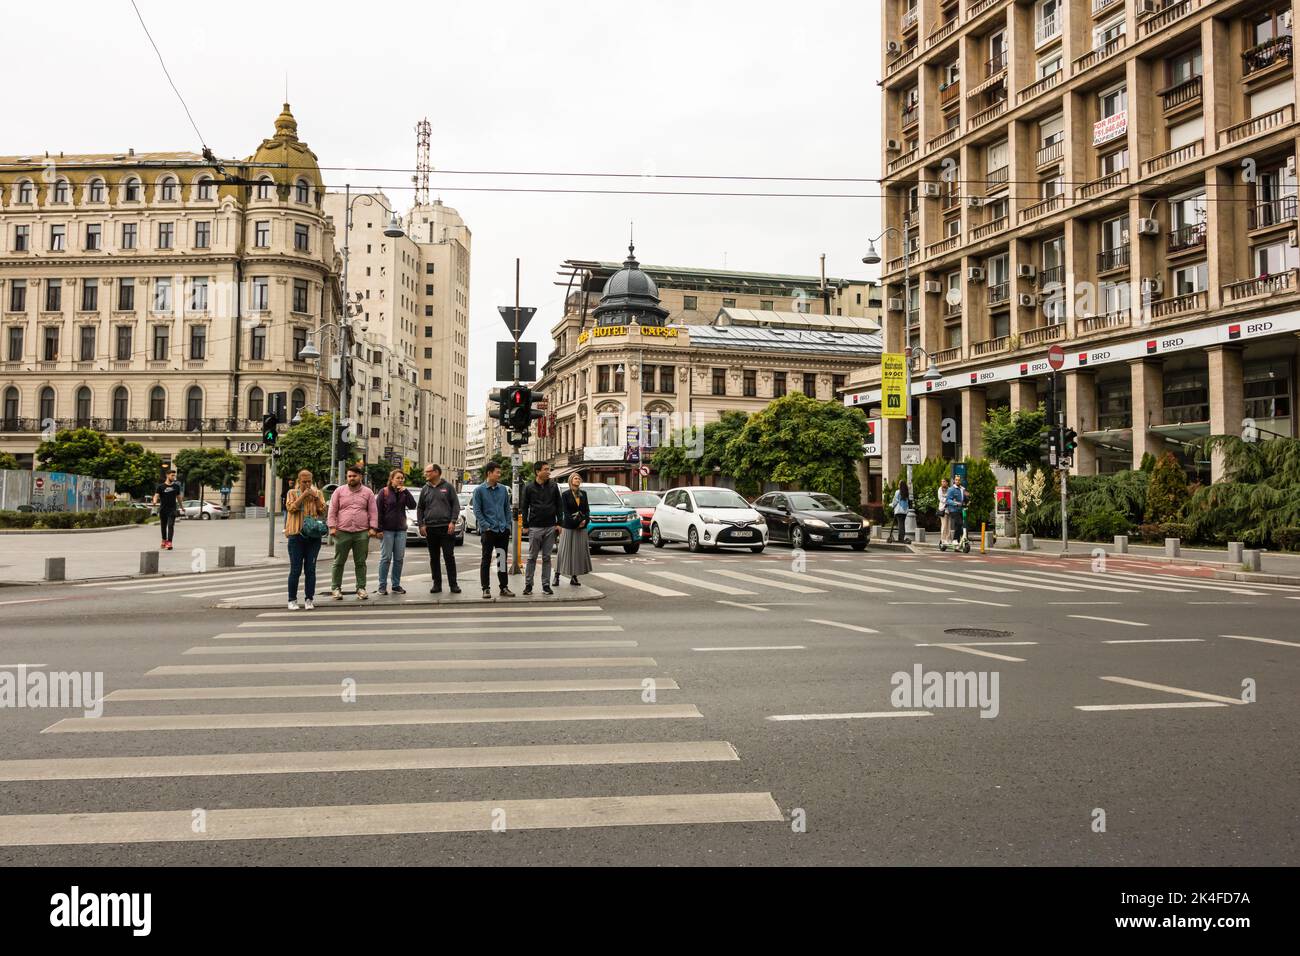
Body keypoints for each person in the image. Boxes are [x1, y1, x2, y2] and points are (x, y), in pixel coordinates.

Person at [328, 463, 379, 601]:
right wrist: (332, 527)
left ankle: (361, 588)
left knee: (360, 562)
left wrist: (373, 528)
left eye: (354, 476)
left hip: (361, 533)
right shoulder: (339, 491)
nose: (351, 478)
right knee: (339, 561)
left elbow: (373, 511)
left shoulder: (368, 492)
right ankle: (336, 588)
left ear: (360, 477)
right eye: (349, 476)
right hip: (342, 532)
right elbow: (332, 510)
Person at [472, 462, 514, 600]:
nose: (499, 474)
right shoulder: (479, 490)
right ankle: (486, 588)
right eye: (497, 472)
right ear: (489, 473)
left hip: (502, 530)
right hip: (488, 531)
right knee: (486, 559)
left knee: (502, 559)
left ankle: (504, 587)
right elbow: (477, 511)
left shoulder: (503, 490)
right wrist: (485, 526)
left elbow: (507, 508)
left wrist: (507, 525)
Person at [284, 469, 326, 610]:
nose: (307, 484)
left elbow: (322, 510)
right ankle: (292, 599)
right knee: (295, 569)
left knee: (311, 569)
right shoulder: (291, 493)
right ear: (298, 481)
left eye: (309, 481)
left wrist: (315, 497)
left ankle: (309, 599)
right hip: (296, 536)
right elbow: (291, 508)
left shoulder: (318, 493)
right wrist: (303, 495)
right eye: (304, 481)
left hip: (313, 537)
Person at [417, 463, 460, 595]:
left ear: (436, 472)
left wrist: (453, 522)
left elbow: (455, 505)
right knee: (434, 558)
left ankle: (454, 585)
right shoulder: (425, 489)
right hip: (431, 528)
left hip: (446, 528)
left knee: (449, 556)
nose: (426, 474)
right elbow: (420, 508)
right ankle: (437, 584)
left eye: (428, 472)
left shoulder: (448, 487)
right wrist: (421, 524)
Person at [520, 461, 562, 596]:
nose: (549, 472)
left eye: (549, 469)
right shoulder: (529, 487)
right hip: (535, 527)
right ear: (538, 472)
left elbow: (559, 505)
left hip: (550, 526)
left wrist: (559, 523)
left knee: (547, 557)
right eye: (546, 469)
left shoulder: (554, 486)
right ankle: (528, 585)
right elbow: (524, 507)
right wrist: (525, 525)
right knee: (532, 557)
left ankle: (546, 585)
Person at [375, 469, 417, 596]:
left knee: (399, 559)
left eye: (402, 478)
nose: (400, 480)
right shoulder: (384, 492)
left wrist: (406, 491)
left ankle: (396, 585)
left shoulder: (404, 492)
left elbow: (412, 505)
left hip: (401, 530)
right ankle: (382, 586)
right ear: (391, 479)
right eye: (398, 478)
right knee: (386, 558)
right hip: (387, 530)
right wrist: (379, 529)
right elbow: (378, 512)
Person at [556, 472, 592, 587]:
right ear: (571, 480)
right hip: (569, 527)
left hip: (581, 528)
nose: (578, 480)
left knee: (577, 553)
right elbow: (565, 512)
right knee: (564, 551)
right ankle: (557, 576)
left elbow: (587, 510)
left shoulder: (583, 494)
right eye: (576, 478)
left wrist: (585, 521)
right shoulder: (565, 495)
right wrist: (576, 523)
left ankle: (574, 577)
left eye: (579, 479)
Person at [153, 470, 183, 550]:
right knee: (163, 526)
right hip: (163, 509)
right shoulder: (160, 486)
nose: (174, 477)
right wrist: (155, 501)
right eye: (172, 475)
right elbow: (156, 495)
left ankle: (169, 542)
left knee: (170, 525)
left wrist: (182, 507)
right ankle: (163, 540)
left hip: (172, 509)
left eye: (174, 476)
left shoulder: (176, 487)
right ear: (167, 475)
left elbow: (179, 498)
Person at [945, 474, 968, 547]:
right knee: (959, 523)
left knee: (961, 525)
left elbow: (964, 499)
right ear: (954, 481)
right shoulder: (951, 489)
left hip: (961, 510)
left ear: (961, 481)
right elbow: (948, 500)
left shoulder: (963, 489)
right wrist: (955, 503)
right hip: (953, 509)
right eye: (956, 480)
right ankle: (955, 539)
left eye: (959, 480)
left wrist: (967, 500)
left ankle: (958, 541)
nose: (957, 481)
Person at [938, 478, 951, 545]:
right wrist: (947, 499)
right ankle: (943, 540)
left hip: (949, 510)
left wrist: (948, 499)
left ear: (947, 483)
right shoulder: (940, 489)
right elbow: (941, 499)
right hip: (943, 509)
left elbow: (951, 497)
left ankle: (948, 539)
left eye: (944, 481)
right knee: (944, 526)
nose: (942, 483)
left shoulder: (949, 489)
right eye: (942, 481)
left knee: (948, 526)